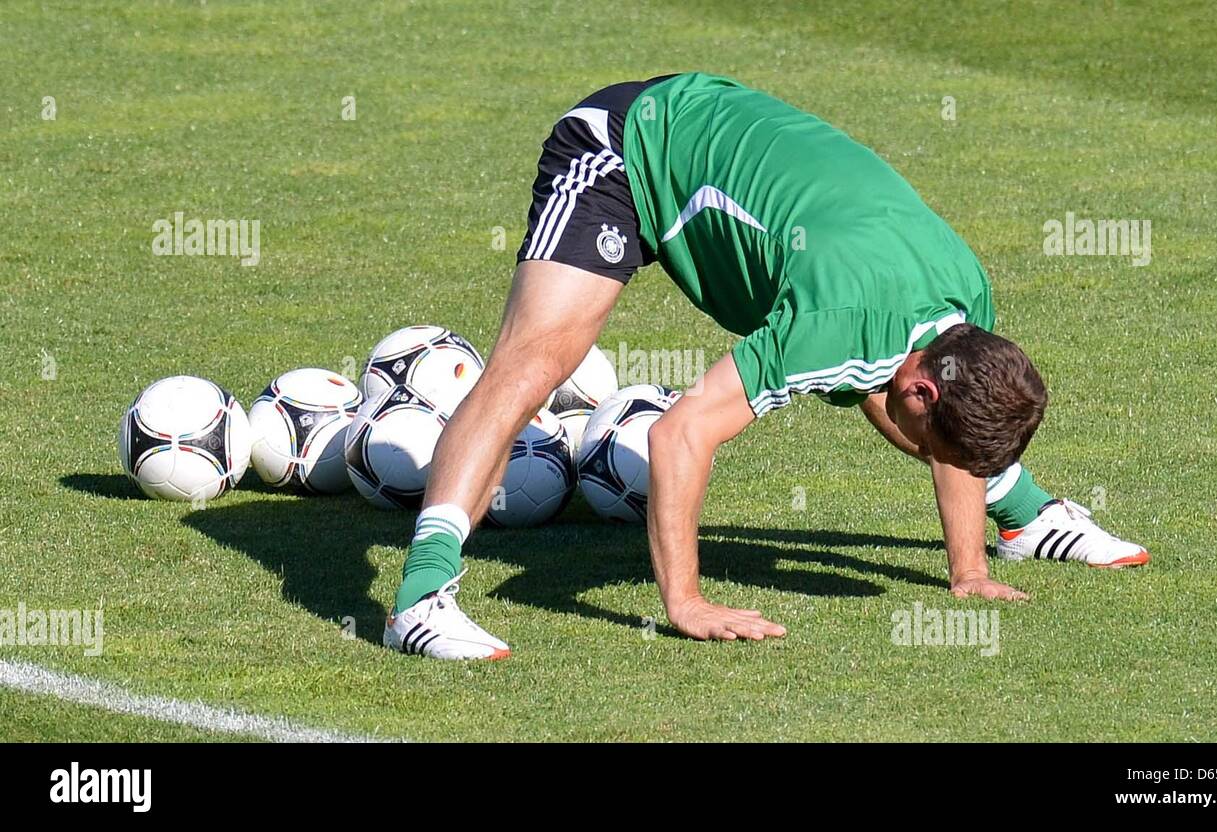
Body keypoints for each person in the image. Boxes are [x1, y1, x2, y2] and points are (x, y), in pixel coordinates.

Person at [382, 73, 1149, 661]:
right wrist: (685, 602)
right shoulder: (835, 326)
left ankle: (1019, 520)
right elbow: (679, 434)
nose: (937, 462)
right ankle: (419, 595)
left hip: (740, 159)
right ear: (921, 382)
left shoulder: (960, 305)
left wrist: (968, 573)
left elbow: (926, 410)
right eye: (942, 453)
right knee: (537, 360)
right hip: (625, 146)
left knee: (873, 384)